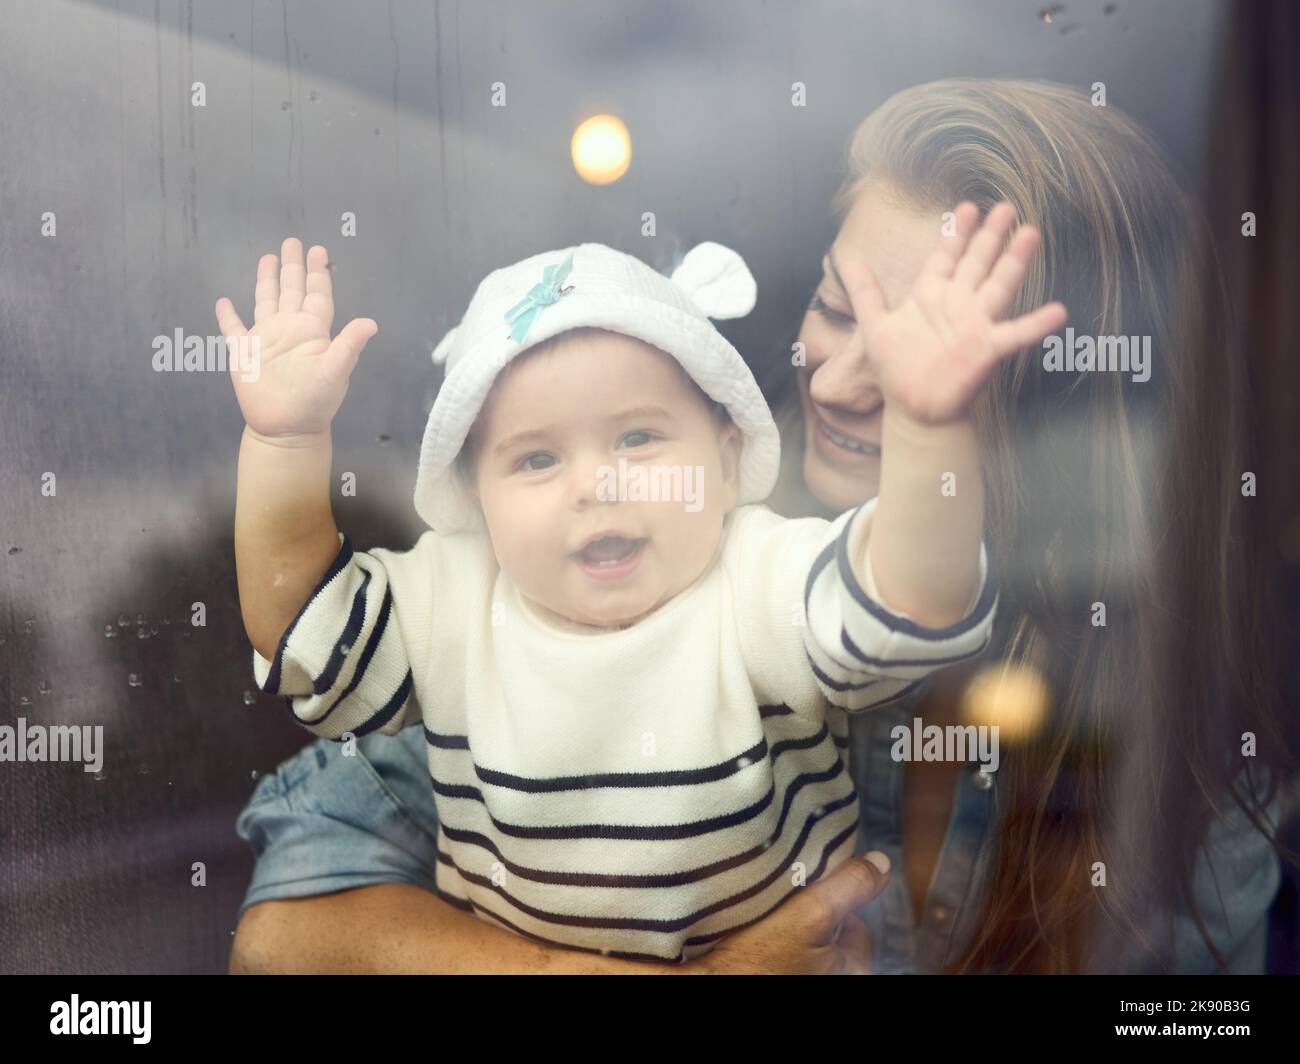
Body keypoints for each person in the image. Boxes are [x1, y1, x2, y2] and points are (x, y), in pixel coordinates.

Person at [231, 79, 1295, 974]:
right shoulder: (508, 591)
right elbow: (284, 930)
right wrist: (284, 446)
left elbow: (906, 594)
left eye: (919, 352)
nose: (835, 377)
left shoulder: (1182, 762)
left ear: (1068, 409)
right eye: (836, 308)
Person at [220, 209, 1059, 962]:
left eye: (638, 438)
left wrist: (928, 425)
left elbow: (905, 609)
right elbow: (307, 636)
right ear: (476, 498)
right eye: (538, 458)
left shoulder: (755, 577)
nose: (597, 485)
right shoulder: (454, 598)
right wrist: (286, 442)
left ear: (727, 464)